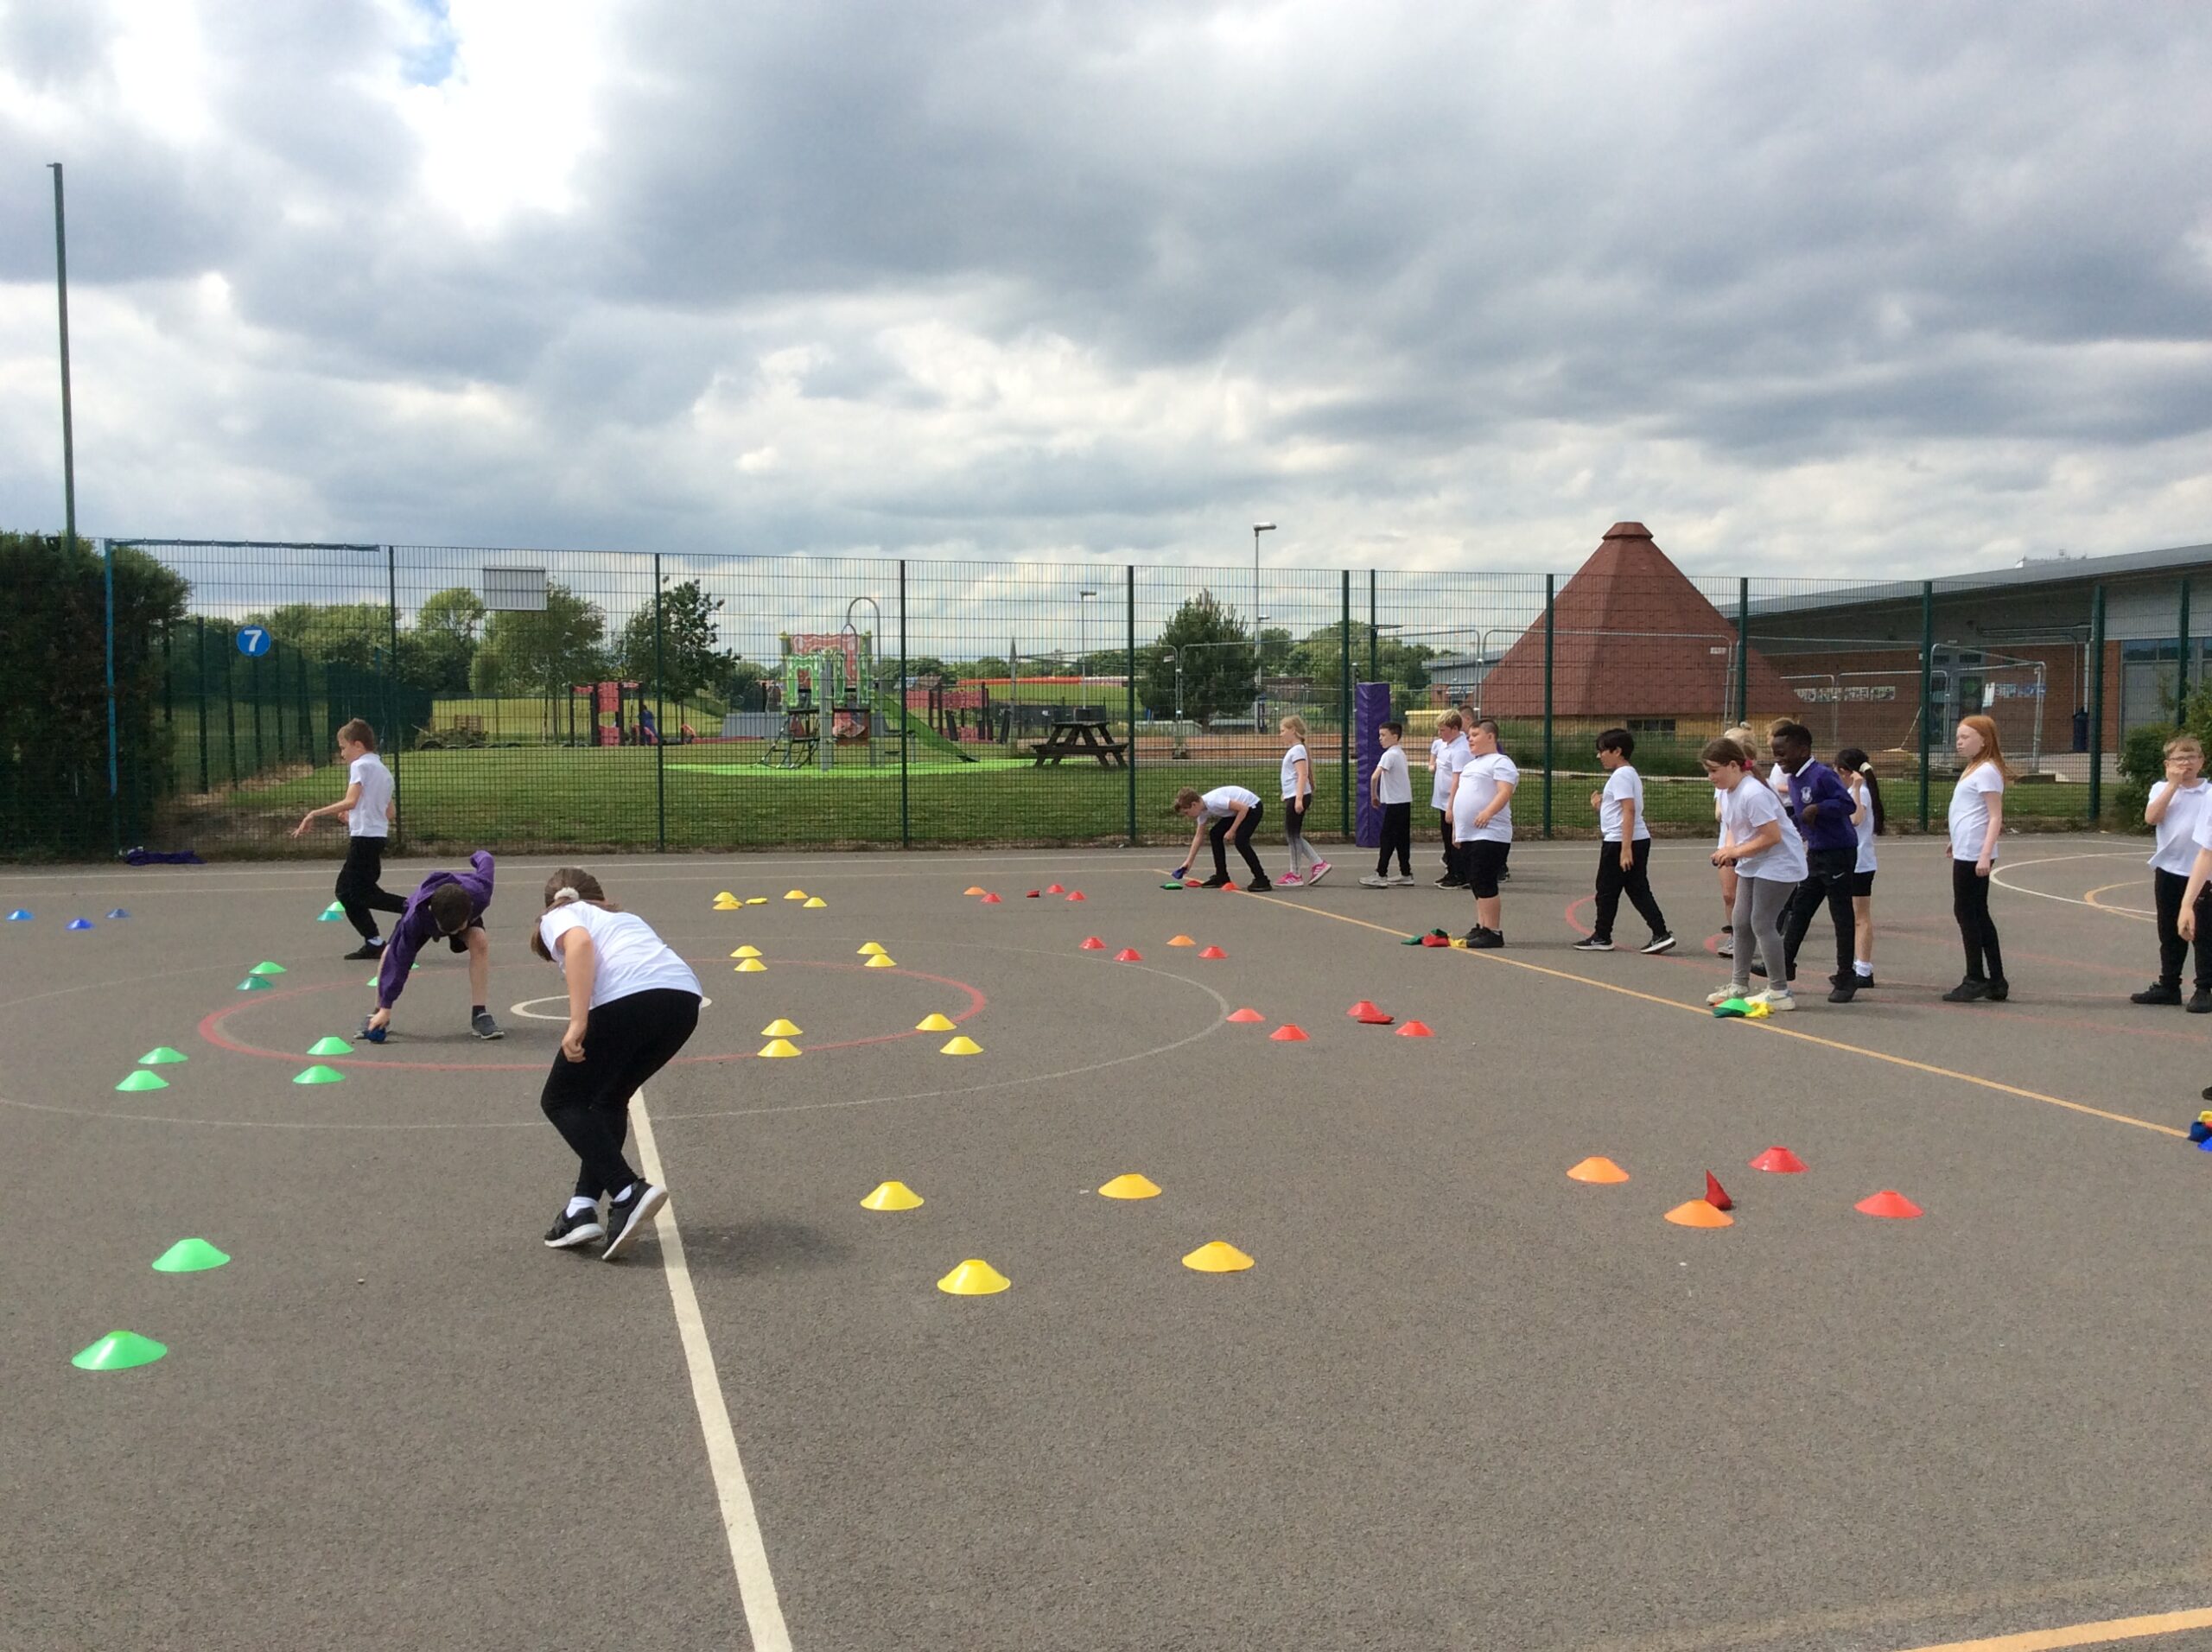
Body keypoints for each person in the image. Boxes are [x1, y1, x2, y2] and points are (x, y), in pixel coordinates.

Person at [532, 867, 701, 1259]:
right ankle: (581, 1209)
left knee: (560, 1100)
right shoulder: (626, 918)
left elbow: (578, 946)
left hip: (630, 998)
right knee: (609, 1097)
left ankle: (628, 1190)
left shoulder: (559, 915)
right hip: (682, 1001)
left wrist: (578, 1021)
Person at [1705, 734, 1806, 1011]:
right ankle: (1739, 985)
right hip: (1755, 860)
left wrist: (1735, 853)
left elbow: (1772, 836)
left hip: (1779, 863)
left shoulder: (1753, 793)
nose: (1711, 777)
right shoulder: (1728, 793)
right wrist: (1727, 851)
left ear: (1734, 766)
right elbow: (1732, 830)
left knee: (1761, 922)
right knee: (1740, 921)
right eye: (1708, 771)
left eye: (1714, 770)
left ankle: (1779, 991)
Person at [291, 718, 405, 962]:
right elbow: (389, 812)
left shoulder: (361, 766)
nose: (342, 754)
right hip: (373, 837)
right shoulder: (383, 771)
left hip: (365, 840)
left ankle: (417, 909)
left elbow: (351, 801)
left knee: (356, 893)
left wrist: (314, 813)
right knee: (350, 891)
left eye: (343, 747)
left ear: (358, 745)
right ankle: (374, 941)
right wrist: (355, 817)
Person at [361, 850, 503, 1043]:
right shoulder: (415, 918)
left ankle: (480, 1014)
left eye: (457, 929)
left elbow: (486, 858)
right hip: (425, 918)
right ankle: (379, 1013)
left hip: (459, 906)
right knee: (390, 952)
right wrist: (386, 1005)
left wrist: (474, 855)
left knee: (479, 941)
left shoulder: (480, 891)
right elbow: (399, 961)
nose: (452, 934)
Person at [1771, 721, 1862, 1003]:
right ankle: (1785, 962)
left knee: (1841, 914)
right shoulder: (1796, 778)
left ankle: (1846, 976)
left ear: (1802, 749)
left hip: (1838, 852)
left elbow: (1847, 806)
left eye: (1782, 753)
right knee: (1801, 908)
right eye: (1775, 753)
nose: (1778, 759)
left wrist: (1819, 808)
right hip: (1816, 852)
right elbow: (1800, 816)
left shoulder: (1821, 774)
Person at [1575, 728, 1674, 953]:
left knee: (1607, 890)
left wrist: (1625, 849)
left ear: (1617, 751)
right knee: (1636, 888)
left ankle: (1603, 935)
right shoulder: (1628, 774)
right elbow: (1621, 809)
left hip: (1621, 841)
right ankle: (1659, 932)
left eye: (1602, 751)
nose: (1599, 756)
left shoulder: (1621, 776)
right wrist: (1600, 805)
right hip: (1630, 839)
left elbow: (1628, 811)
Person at [2133, 734, 2212, 1010]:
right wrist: (2172, 786)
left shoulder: (2208, 792)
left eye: (2192, 757)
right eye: (2180, 758)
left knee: (2203, 931)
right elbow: (2152, 818)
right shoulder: (2160, 789)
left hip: (2203, 874)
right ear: (2168, 763)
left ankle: (2205, 987)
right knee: (2169, 930)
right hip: (2169, 869)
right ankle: (2169, 984)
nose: (2186, 763)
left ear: (2202, 761)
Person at [1943, 714, 2011, 1003]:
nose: (1959, 742)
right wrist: (1955, 840)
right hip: (1966, 847)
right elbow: (1968, 812)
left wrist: (1984, 854)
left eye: (1966, 737)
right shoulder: (1974, 768)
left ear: (1984, 740)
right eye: (1958, 737)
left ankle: (1975, 977)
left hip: (1974, 854)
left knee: (1967, 912)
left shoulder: (1986, 771)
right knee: (1977, 913)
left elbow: (1995, 815)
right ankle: (1996, 980)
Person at [1447, 717, 1517, 948]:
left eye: (1475, 735)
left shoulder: (1500, 762)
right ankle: (1481, 926)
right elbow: (1461, 796)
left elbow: (1504, 791)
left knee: (1484, 880)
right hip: (1470, 834)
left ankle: (1493, 931)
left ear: (1491, 737)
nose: (1470, 740)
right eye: (1469, 736)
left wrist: (1488, 812)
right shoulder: (1472, 764)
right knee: (1475, 881)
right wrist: (1458, 829)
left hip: (1490, 834)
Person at [1837, 746, 1883, 989]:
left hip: (1859, 863)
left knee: (1860, 917)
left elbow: (1856, 819)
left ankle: (1863, 968)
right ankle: (1857, 966)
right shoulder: (1857, 791)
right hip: (1853, 860)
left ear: (1845, 771)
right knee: (1852, 916)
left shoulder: (1861, 792)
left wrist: (1854, 787)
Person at [1712, 723, 1758, 957]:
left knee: (1749, 897)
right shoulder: (1722, 784)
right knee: (1729, 895)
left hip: (1751, 846)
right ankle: (1735, 937)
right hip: (1728, 844)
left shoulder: (1754, 787)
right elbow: (1721, 814)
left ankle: (1751, 936)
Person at [1173, 785, 1273, 890]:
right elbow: (1199, 836)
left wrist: (1232, 831)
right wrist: (1189, 862)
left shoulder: (1214, 801)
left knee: (1241, 841)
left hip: (1252, 807)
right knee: (1215, 834)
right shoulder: (1202, 811)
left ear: (1194, 804)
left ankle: (1262, 880)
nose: (1187, 816)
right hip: (1238, 811)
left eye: (1186, 812)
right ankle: (1222, 876)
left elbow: (1244, 808)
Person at [1362, 721, 1415, 887]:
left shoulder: (1390, 755)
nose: (1380, 738)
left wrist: (1373, 795)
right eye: (1380, 735)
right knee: (1401, 839)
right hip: (1404, 802)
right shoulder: (1400, 753)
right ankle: (1406, 873)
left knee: (1387, 838)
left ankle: (1381, 873)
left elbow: (1374, 777)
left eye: (1384, 735)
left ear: (1395, 736)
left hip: (1395, 803)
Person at [1277, 715, 1329, 886]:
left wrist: (1298, 798)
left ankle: (1296, 874)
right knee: (1293, 834)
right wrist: (1287, 793)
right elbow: (1294, 775)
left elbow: (1302, 774)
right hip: (1294, 795)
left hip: (1298, 797)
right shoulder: (1296, 750)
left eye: (1283, 730)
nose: (1281, 734)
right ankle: (1317, 863)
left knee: (1292, 835)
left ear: (1293, 730)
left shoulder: (1298, 750)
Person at [1429, 710, 1468, 886]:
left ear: (1454, 729)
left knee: (1456, 839)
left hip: (1453, 801)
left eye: (1443, 730)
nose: (1440, 733)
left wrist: (1451, 806)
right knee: (1446, 837)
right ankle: (1451, 871)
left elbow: (1457, 780)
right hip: (1442, 800)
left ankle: (1460, 874)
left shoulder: (1461, 750)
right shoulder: (1444, 745)